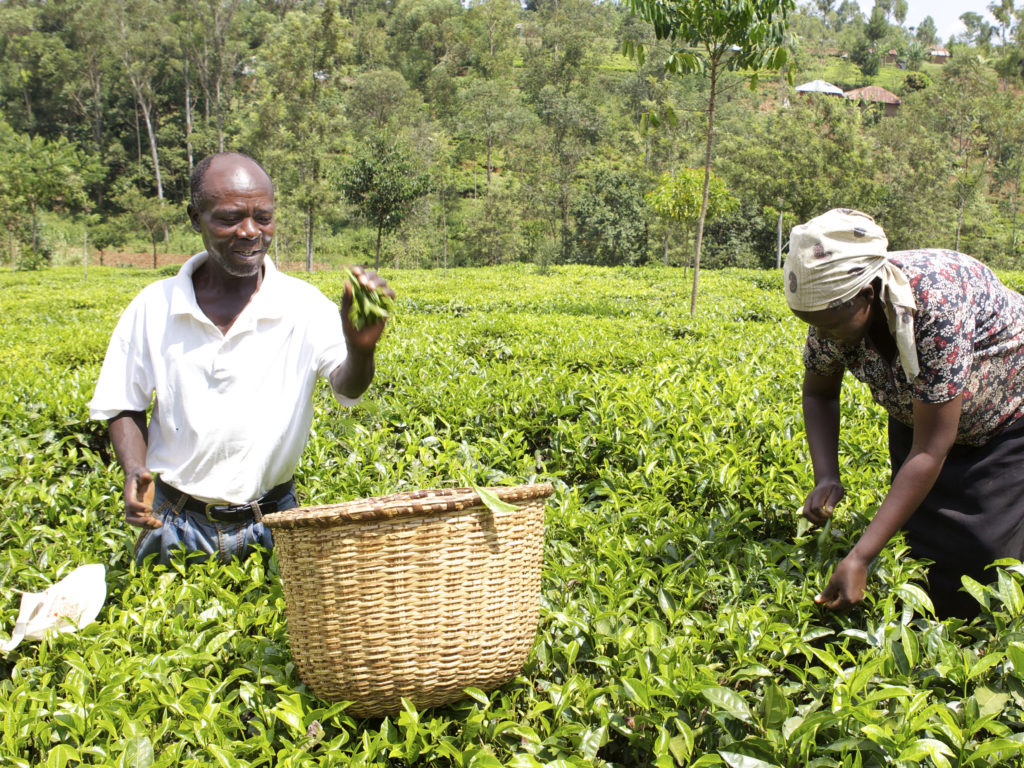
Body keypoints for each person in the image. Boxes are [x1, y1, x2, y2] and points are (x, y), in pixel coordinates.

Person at [89, 152, 393, 566]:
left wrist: (361, 349)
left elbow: (347, 386)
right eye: (230, 218)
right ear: (196, 217)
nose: (250, 232)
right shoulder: (153, 306)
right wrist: (133, 469)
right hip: (175, 520)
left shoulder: (302, 305)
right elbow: (125, 403)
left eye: (263, 217)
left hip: (275, 519)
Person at [784, 208, 1024, 619]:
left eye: (829, 325)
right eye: (811, 324)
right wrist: (826, 474)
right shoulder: (830, 310)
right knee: (922, 542)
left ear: (867, 294)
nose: (821, 336)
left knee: (984, 555)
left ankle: (980, 647)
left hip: (1005, 416)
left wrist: (859, 558)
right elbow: (819, 393)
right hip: (922, 418)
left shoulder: (936, 304)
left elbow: (930, 450)